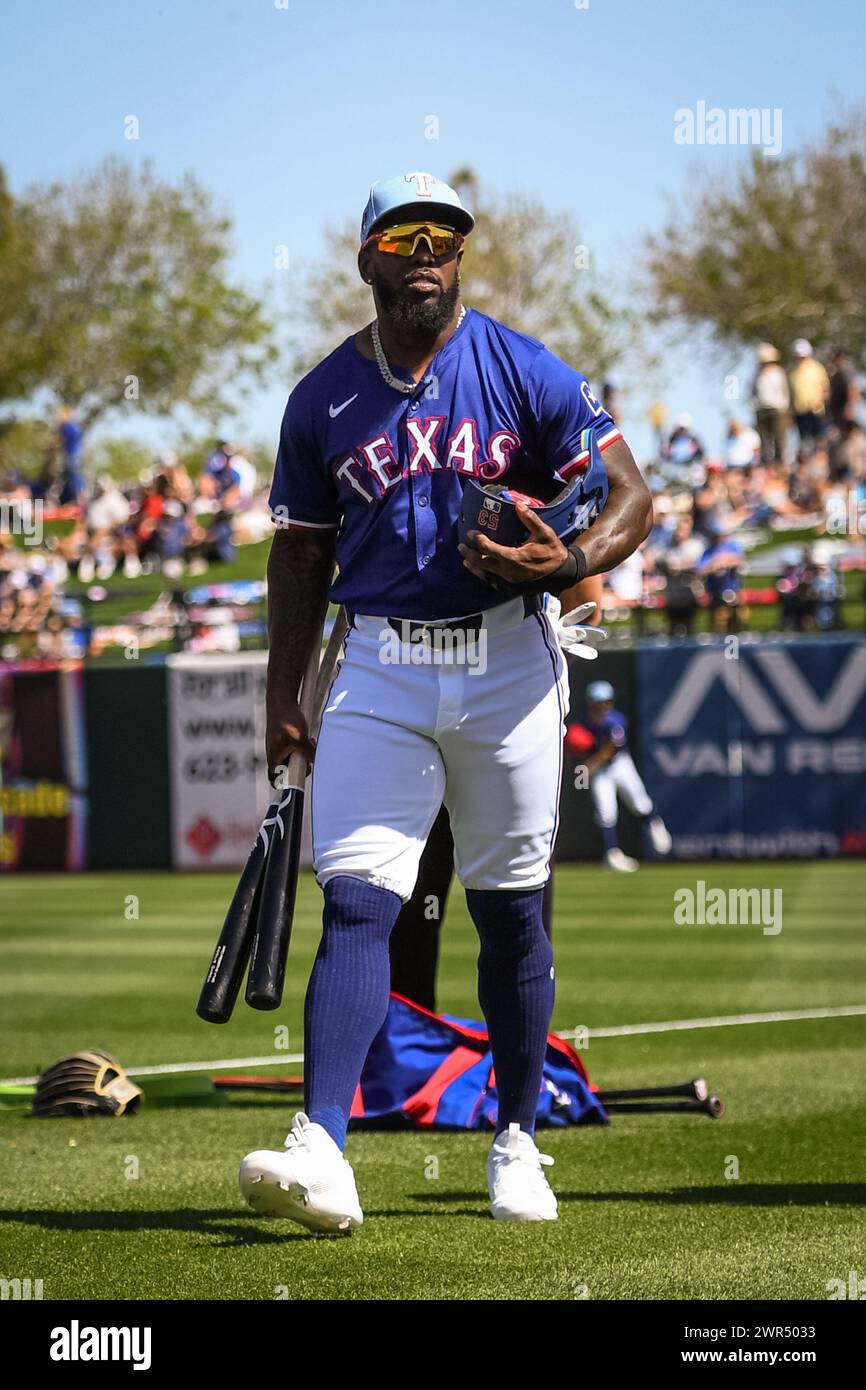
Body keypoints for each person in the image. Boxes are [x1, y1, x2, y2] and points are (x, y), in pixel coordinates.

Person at [239, 171, 651, 1232]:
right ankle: (322, 1142)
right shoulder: (321, 394)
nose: (428, 250)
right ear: (366, 254)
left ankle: (515, 1141)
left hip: (510, 660)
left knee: (509, 910)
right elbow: (298, 557)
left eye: (446, 235)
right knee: (360, 898)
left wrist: (572, 559)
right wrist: (284, 695)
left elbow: (633, 494)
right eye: (405, 234)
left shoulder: (521, 366)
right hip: (376, 660)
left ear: (460, 254)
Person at [567, 679, 671, 872]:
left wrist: (588, 764)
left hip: (620, 765)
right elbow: (577, 748)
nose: (605, 705)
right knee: (605, 812)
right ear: (591, 703)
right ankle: (612, 855)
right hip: (601, 772)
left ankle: (655, 824)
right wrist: (579, 754)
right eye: (600, 701)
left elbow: (611, 749)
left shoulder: (616, 720)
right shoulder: (583, 724)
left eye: (607, 701)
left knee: (640, 804)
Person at [751, 344, 790, 466]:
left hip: (776, 408)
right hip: (761, 408)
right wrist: (754, 405)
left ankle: (779, 461)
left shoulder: (779, 373)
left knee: (778, 437)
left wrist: (784, 409)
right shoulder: (757, 374)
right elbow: (753, 391)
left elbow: (784, 391)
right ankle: (765, 462)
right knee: (763, 437)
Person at [789, 340, 829, 449]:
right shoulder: (793, 372)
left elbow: (825, 388)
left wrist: (819, 402)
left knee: (819, 438)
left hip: (816, 410)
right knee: (805, 441)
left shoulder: (817, 368)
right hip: (800, 412)